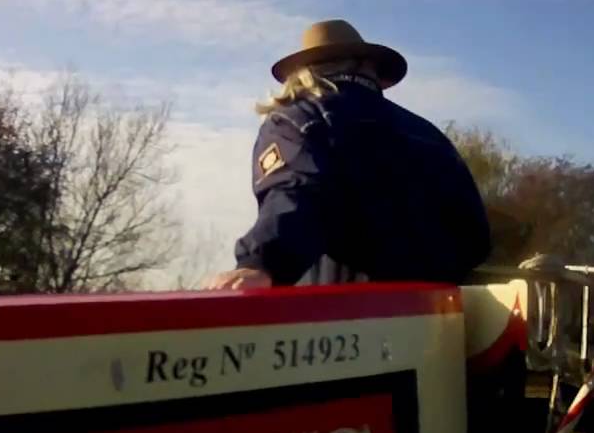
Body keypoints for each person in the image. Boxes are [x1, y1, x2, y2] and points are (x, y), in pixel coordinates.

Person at [206, 19, 491, 290]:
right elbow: (475, 237)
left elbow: (297, 190)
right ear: (369, 69)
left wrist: (261, 261)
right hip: (437, 319)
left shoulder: (299, 117)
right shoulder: (428, 135)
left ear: (304, 71)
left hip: (344, 323)